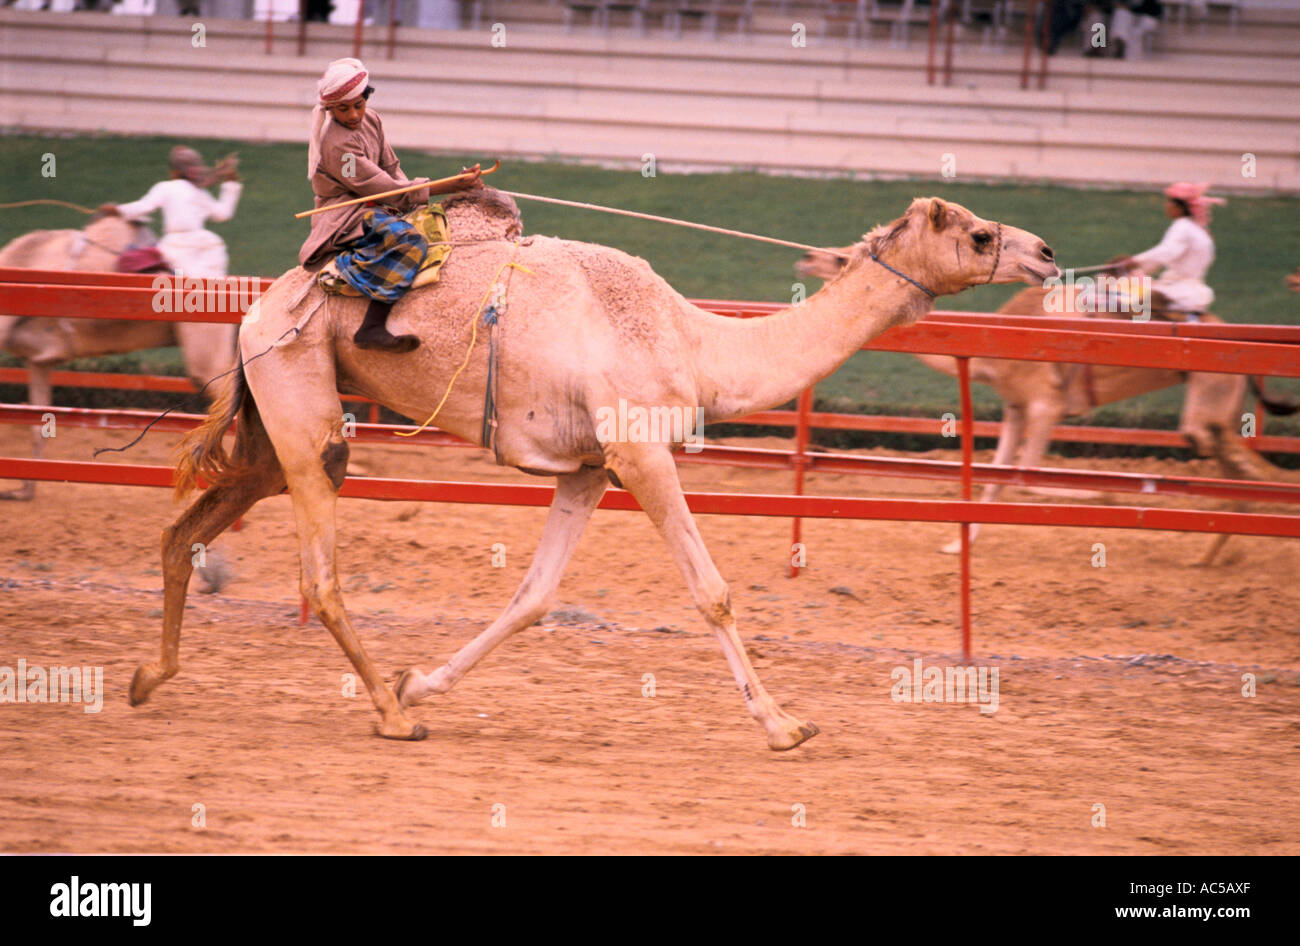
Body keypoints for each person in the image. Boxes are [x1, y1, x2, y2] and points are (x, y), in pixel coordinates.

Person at [300, 57, 482, 353]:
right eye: (343, 109)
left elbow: (392, 170)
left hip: (379, 204)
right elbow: (380, 188)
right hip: (347, 214)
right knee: (409, 241)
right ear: (329, 109)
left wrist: (424, 194)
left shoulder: (372, 119)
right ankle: (371, 326)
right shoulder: (337, 146)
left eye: (358, 105)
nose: (354, 114)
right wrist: (448, 186)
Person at [98, 145, 242, 279]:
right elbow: (223, 213)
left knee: (131, 259)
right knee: (209, 276)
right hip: (205, 246)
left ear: (173, 171)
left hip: (174, 248)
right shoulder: (200, 192)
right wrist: (231, 185)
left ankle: (174, 284)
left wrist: (116, 210)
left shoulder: (166, 187)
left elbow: (143, 207)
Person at [1117, 182, 1224, 320]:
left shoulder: (1183, 227)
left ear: (1179, 208)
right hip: (1192, 290)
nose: (1166, 206)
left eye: (1170, 203)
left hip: (1179, 290)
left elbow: (1165, 252)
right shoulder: (1200, 231)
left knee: (1134, 308)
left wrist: (1134, 262)